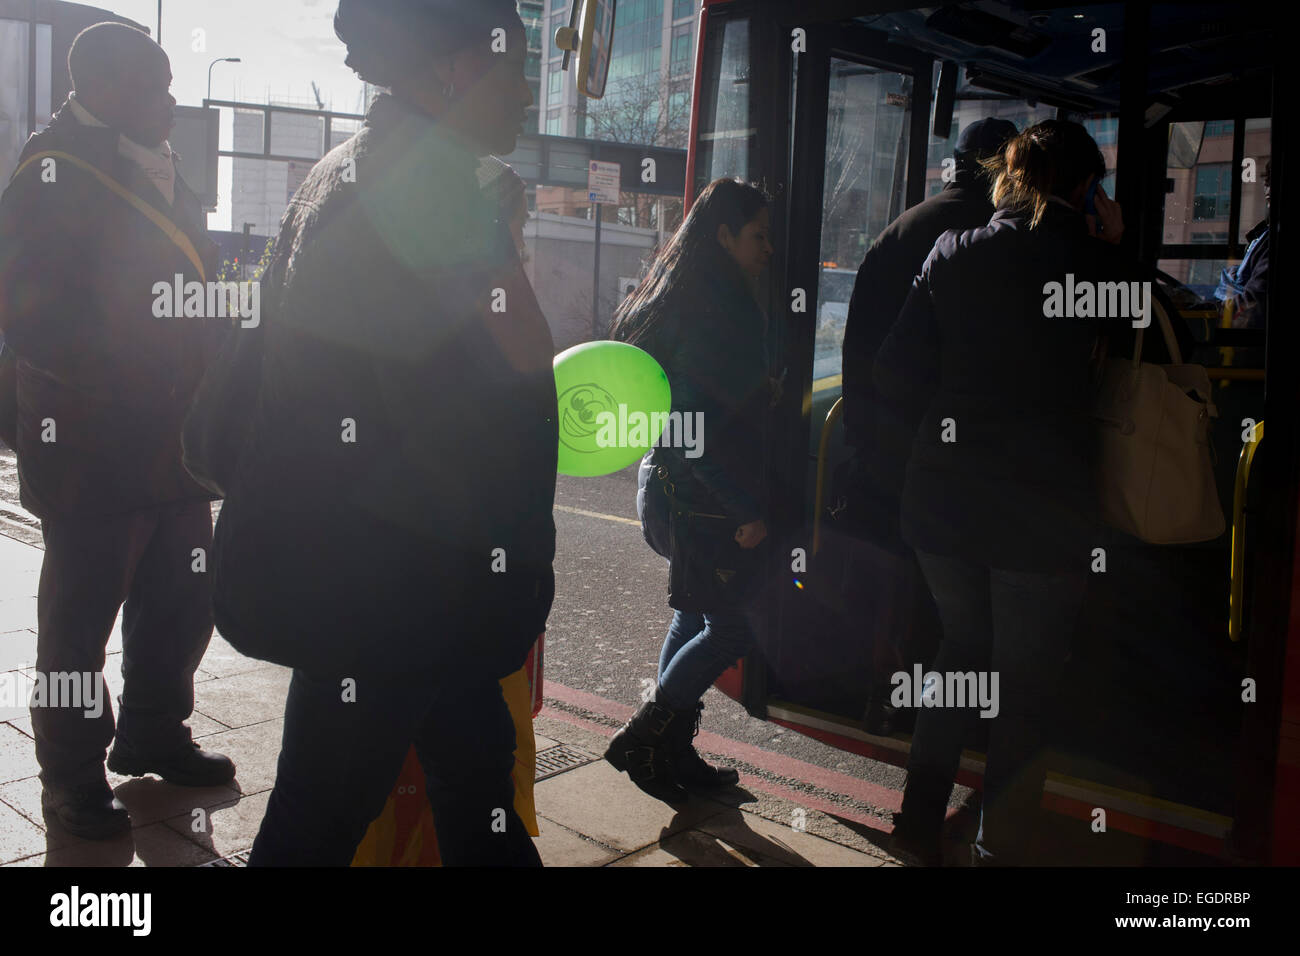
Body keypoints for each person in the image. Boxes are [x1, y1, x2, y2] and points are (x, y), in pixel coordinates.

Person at [199, 0, 555, 866]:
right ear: (452, 71)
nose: (529, 87)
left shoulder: (361, 169)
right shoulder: (425, 193)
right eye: (514, 62)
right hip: (400, 595)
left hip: (407, 593)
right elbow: (492, 389)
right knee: (323, 819)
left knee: (471, 795)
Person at [0, 22, 234, 840]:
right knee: (77, 627)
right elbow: (27, 314)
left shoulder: (158, 164)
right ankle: (69, 776)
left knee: (180, 600)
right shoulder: (49, 171)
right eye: (155, 86)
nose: (170, 101)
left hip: (172, 439)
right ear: (103, 88)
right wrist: (140, 364)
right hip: (93, 443)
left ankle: (155, 731)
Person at [875, 120, 1131, 865]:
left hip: (942, 500)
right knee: (1024, 688)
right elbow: (1158, 327)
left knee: (961, 652)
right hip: (1036, 509)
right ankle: (1000, 849)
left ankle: (918, 821)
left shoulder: (952, 251)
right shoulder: (1085, 262)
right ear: (1085, 188)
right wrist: (1116, 245)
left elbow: (896, 371)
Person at [839, 117, 1017, 732]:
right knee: (956, 600)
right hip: (956, 454)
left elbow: (865, 350)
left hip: (888, 441)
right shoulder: (996, 238)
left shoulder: (904, 228)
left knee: (902, 585)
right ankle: (939, 714)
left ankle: (885, 702)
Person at [607, 178, 774, 802]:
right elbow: (692, 426)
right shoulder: (715, 311)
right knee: (733, 630)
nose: (767, 250)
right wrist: (745, 508)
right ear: (725, 236)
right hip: (702, 500)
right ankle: (642, 738)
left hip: (672, 488)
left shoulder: (692, 293)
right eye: (758, 236)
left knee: (693, 615)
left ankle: (668, 748)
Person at [1215, 159, 1270, 330]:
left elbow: (1253, 301)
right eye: (1266, 178)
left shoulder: (1270, 239)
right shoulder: (1262, 235)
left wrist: (1215, 310)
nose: (1266, 184)